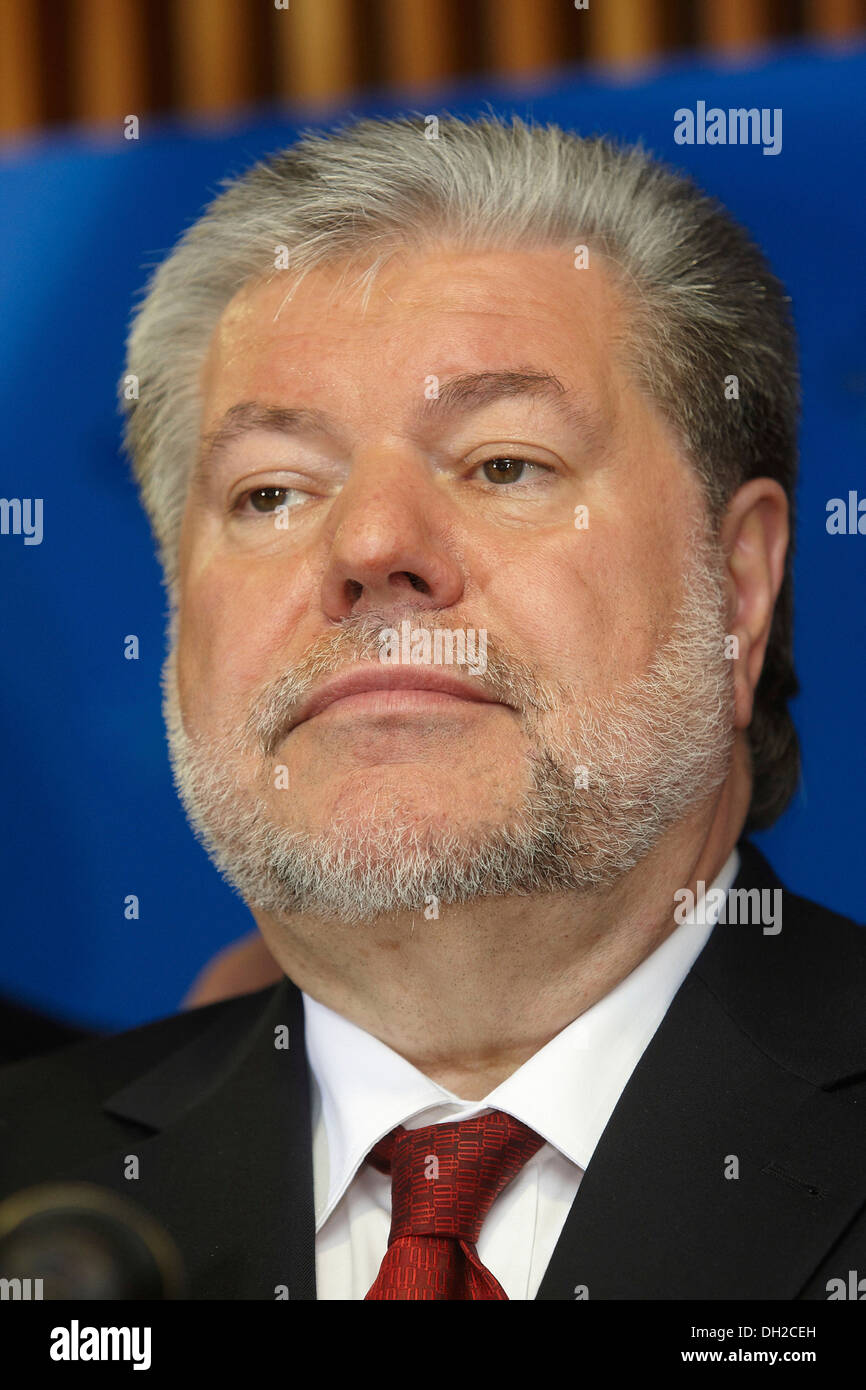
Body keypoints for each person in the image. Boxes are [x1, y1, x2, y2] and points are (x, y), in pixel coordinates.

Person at [1, 114, 863, 1301]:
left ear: (742, 587)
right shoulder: (30, 1190)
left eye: (503, 462)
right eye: (269, 492)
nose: (367, 545)